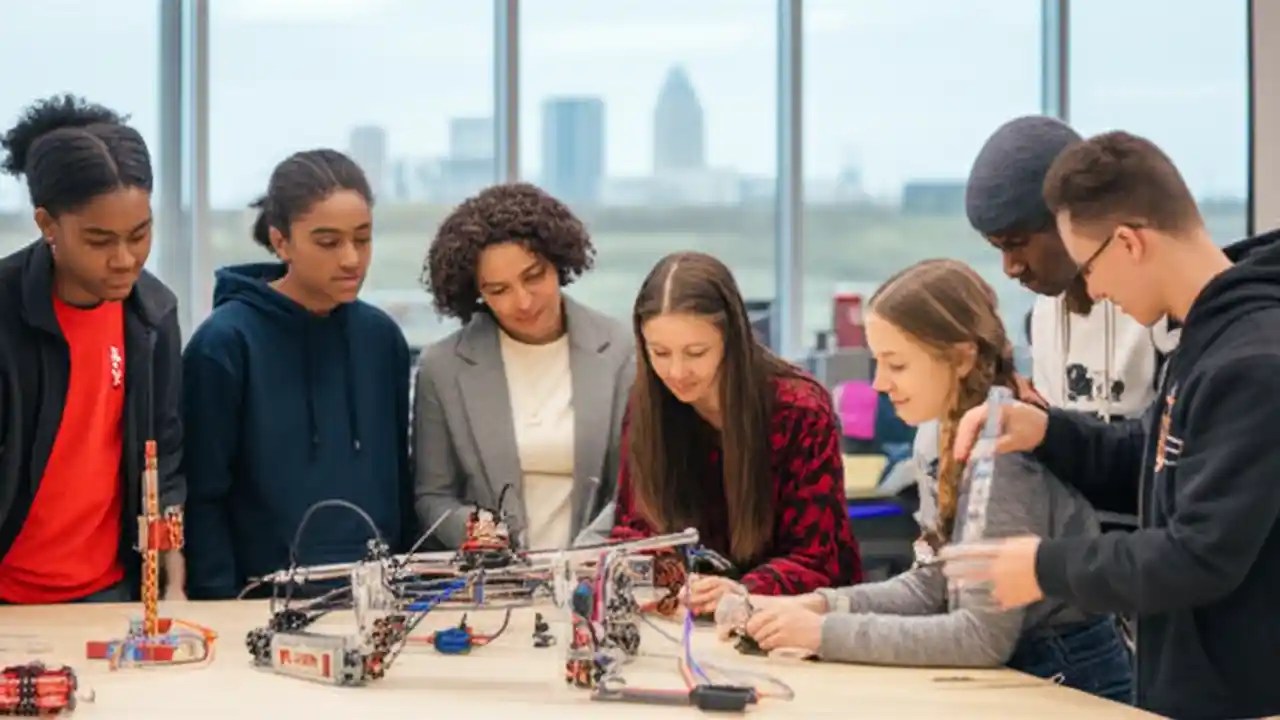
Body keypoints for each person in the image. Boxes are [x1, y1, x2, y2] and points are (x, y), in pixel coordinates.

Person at [941, 131, 1280, 720]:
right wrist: (1048, 432)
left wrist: (1045, 566)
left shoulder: (1252, 362)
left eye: (1090, 266)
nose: (1092, 290)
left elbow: (1199, 555)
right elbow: (1156, 469)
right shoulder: (1204, 337)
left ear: (1128, 242)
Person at [734, 259, 1132, 703]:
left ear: (961, 358)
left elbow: (981, 637)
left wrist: (824, 633)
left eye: (897, 365)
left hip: (1067, 680)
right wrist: (826, 604)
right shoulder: (934, 435)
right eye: (877, 363)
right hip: (1020, 670)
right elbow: (934, 583)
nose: (880, 384)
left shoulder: (1001, 456)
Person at [182, 149, 414, 600]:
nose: (351, 259)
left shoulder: (382, 339)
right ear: (281, 241)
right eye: (328, 242)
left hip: (379, 602)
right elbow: (203, 496)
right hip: (260, 606)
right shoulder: (224, 344)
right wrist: (219, 604)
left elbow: (399, 485)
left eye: (362, 239)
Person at [599, 251, 862, 612]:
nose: (676, 371)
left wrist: (742, 591)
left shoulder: (798, 410)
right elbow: (634, 529)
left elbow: (817, 559)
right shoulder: (648, 404)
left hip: (794, 621)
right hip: (685, 621)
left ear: (731, 339)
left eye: (695, 352)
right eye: (659, 352)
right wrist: (648, 573)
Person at [0, 94, 185, 603]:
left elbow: (164, 458)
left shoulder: (154, 316)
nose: (125, 259)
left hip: (111, 593)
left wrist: (175, 584)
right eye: (100, 240)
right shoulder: (6, 314)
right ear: (47, 226)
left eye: (139, 234)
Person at [414, 182, 634, 552]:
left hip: (595, 579)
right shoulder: (442, 368)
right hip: (492, 586)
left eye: (534, 276)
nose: (524, 301)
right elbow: (432, 496)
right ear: (476, 293)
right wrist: (477, 530)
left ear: (559, 263)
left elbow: (636, 491)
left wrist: (583, 558)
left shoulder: (620, 349)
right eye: (498, 290)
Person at [966, 115, 1177, 421]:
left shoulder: (1163, 318)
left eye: (1017, 242)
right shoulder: (1039, 320)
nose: (1010, 268)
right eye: (999, 249)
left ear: (1069, 218)